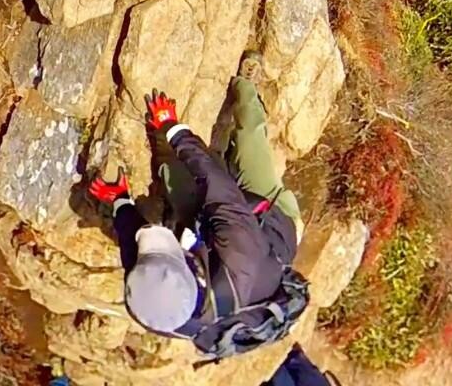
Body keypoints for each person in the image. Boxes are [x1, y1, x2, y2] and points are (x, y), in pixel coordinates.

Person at [87, 80, 307, 360]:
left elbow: (135, 254)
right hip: (270, 224)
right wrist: (172, 129)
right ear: (186, 266)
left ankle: (245, 88)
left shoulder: (151, 307)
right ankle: (243, 91)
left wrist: (120, 202)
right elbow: (217, 185)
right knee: (227, 149)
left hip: (243, 222)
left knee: (225, 146)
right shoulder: (239, 262)